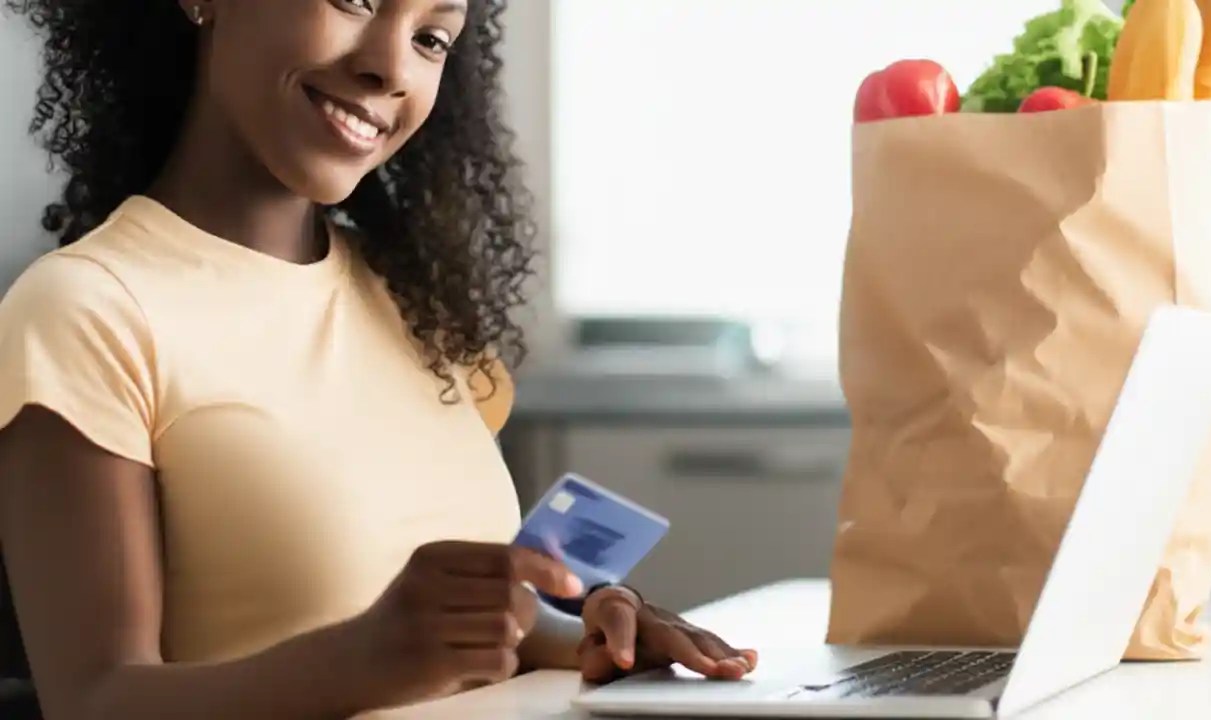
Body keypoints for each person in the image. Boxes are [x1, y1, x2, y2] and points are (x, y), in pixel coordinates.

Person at [0, 1, 758, 718]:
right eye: (355, 0)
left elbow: (460, 648)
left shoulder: (414, 302)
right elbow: (93, 701)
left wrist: (587, 637)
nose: (390, 65)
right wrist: (362, 659)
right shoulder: (88, 310)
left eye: (432, 38)